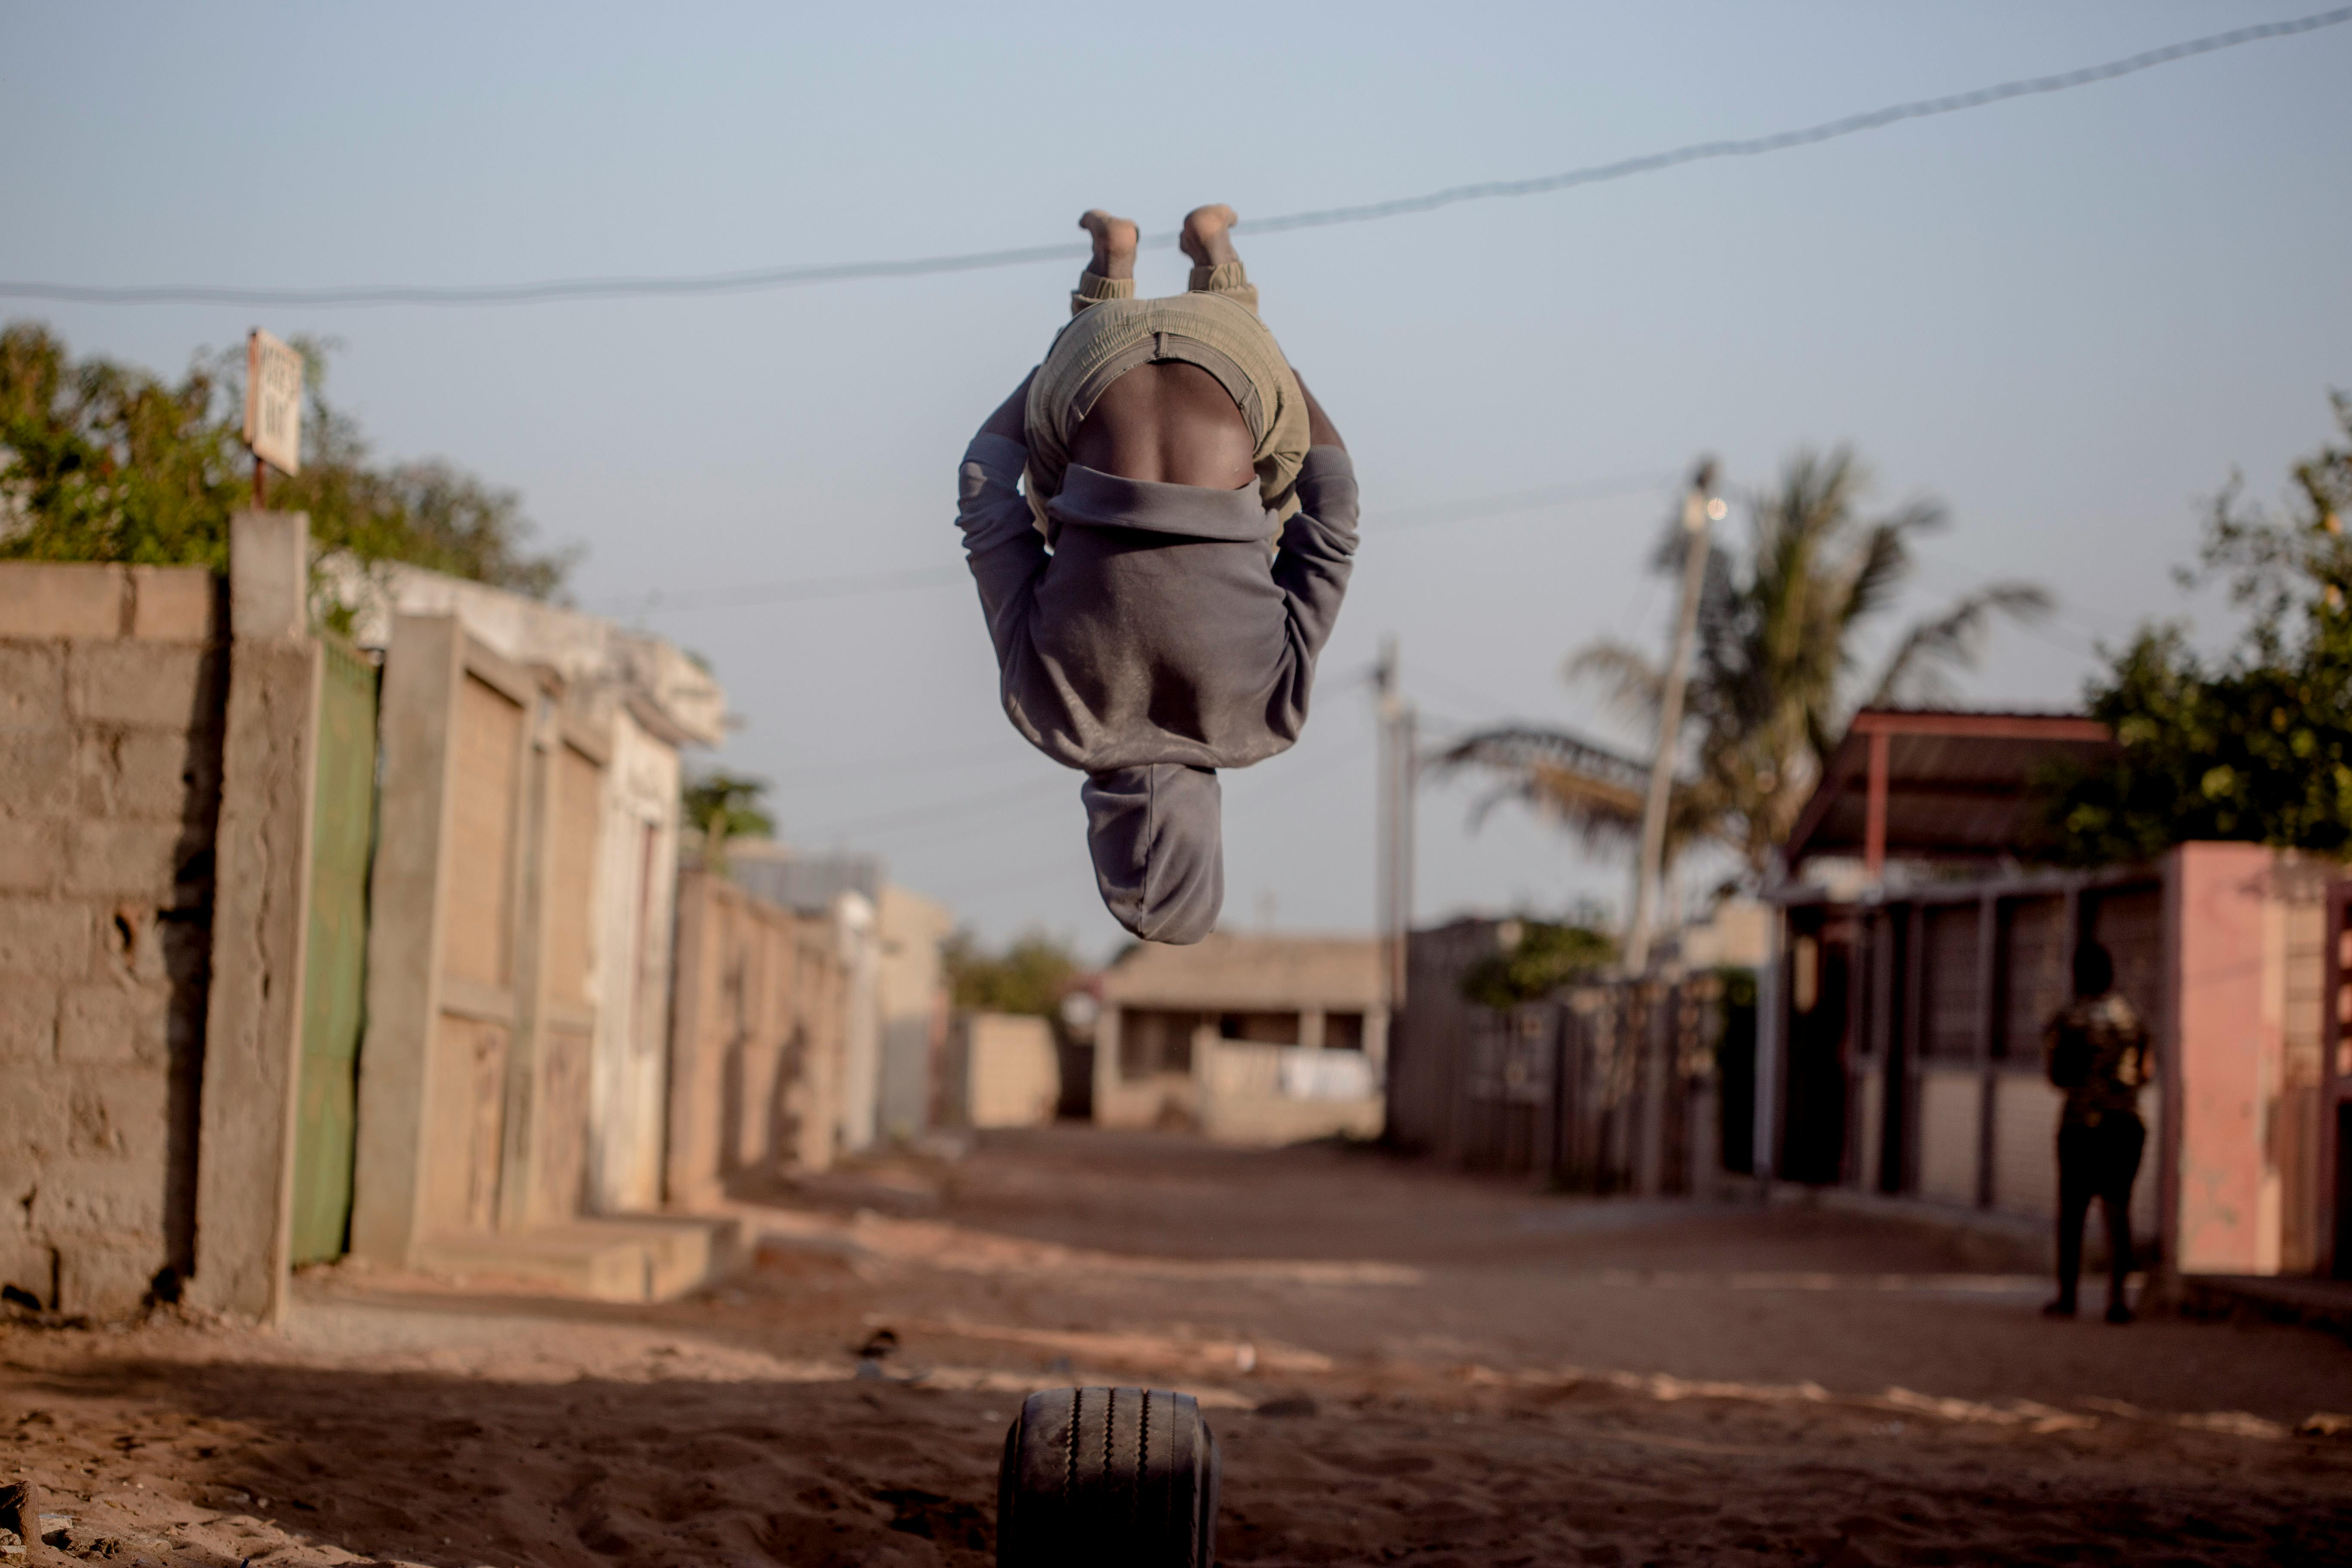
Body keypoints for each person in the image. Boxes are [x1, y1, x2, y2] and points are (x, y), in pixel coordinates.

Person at [955, 205, 1357, 944]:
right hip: (1089, 368)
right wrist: (1049, 367)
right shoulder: (1046, 710)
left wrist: (1284, 377)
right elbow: (984, 493)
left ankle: (1216, 255)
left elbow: (1333, 521)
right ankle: (1114, 262)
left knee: (1271, 503)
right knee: (1056, 512)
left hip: (1238, 368)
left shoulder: (1271, 716)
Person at [2042, 940, 2153, 1324]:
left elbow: (2057, 1075)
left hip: (2080, 1127)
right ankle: (2118, 1300)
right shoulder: (2131, 1018)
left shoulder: (2068, 1019)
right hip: (2125, 1125)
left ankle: (2068, 1298)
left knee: (2073, 1212)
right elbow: (2146, 1072)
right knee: (2118, 1209)